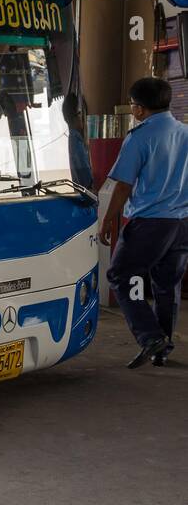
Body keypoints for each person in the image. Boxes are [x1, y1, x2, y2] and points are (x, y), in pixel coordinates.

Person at [100, 77, 188, 369]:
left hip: (150, 223)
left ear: (138, 109)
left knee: (119, 275)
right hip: (182, 224)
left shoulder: (139, 137)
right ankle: (162, 349)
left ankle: (150, 337)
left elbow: (123, 186)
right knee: (166, 286)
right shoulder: (185, 133)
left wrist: (107, 220)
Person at [64, 93, 94, 190]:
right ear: (74, 117)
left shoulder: (75, 138)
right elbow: (86, 179)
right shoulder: (76, 141)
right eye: (80, 112)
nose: (82, 117)